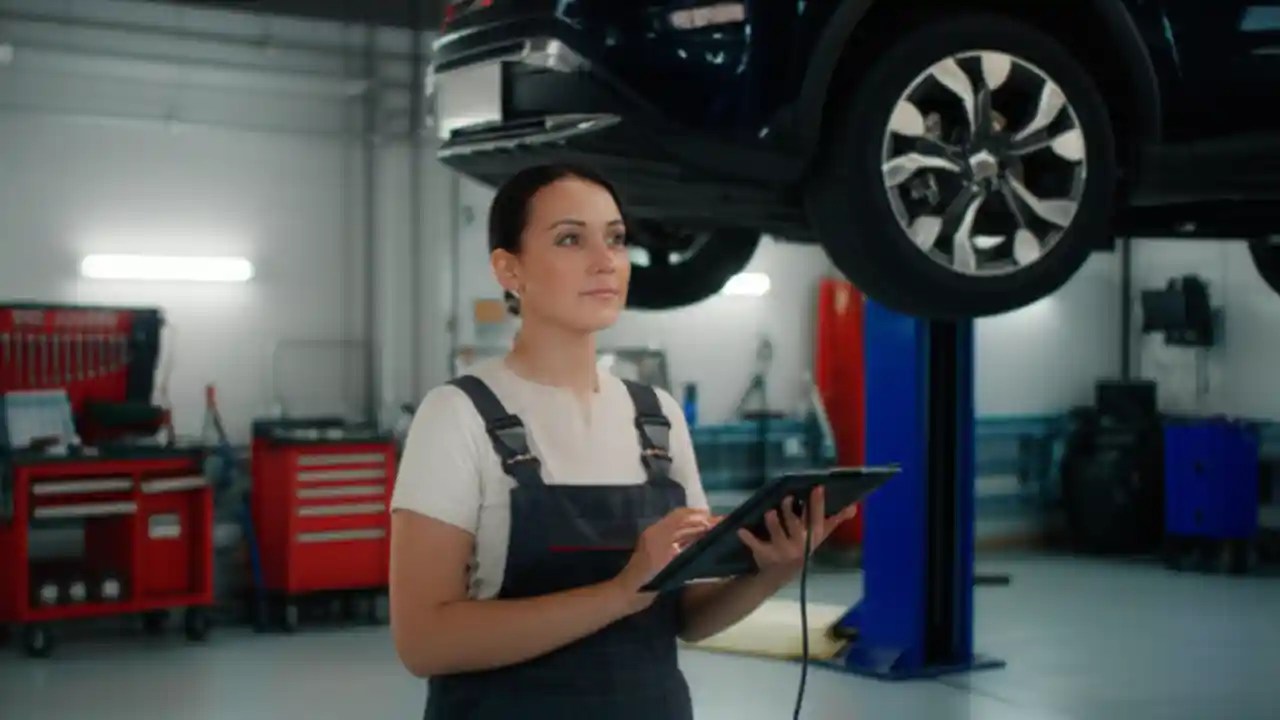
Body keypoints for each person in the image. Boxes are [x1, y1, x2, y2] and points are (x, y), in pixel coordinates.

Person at [388, 163, 858, 719]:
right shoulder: (456, 415)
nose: (605, 260)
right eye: (570, 239)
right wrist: (618, 594)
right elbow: (424, 641)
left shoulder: (657, 418)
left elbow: (688, 617)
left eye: (615, 239)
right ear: (509, 269)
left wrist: (772, 570)